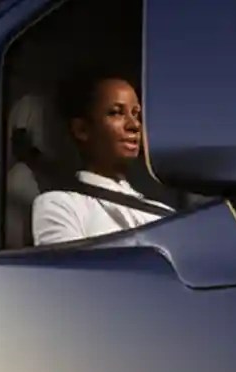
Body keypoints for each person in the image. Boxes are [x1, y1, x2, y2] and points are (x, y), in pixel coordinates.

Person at [31, 70, 174, 246]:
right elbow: (66, 264)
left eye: (136, 114)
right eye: (116, 113)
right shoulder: (60, 205)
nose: (134, 125)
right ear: (82, 129)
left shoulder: (163, 213)